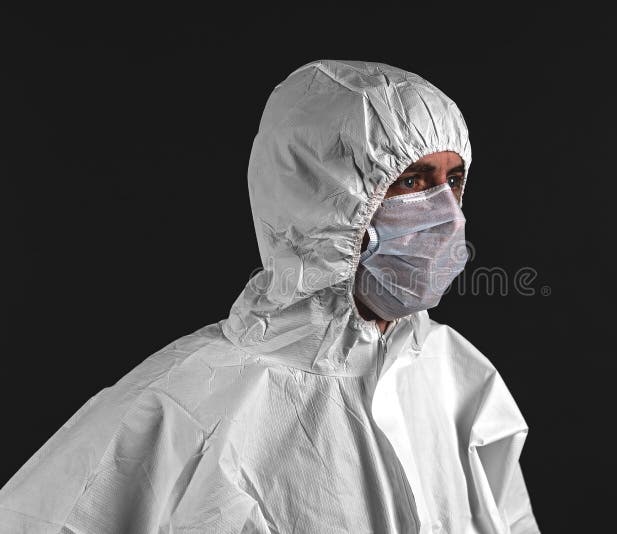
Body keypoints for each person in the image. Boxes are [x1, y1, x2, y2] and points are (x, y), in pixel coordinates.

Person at [0, 59, 540, 533]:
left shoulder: (457, 375)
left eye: (453, 180)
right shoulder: (183, 407)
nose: (445, 212)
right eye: (413, 181)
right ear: (320, 198)